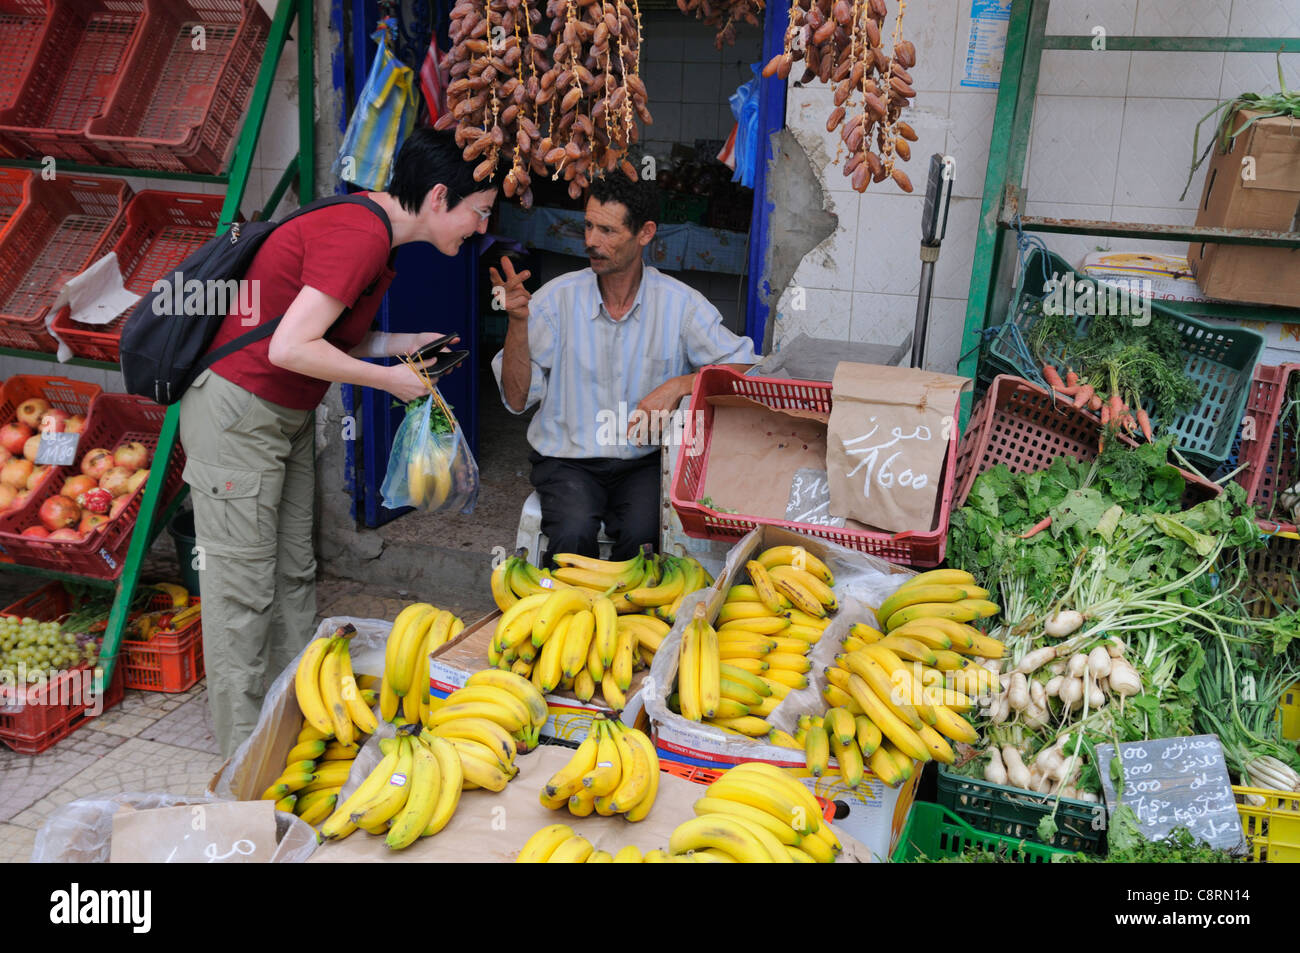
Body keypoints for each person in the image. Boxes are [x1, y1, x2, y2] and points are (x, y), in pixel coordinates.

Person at [179, 128, 496, 757]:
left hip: (284, 417)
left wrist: (398, 345)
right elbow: (288, 347)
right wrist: (390, 382)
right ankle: (246, 759)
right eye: (478, 213)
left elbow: (320, 335)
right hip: (239, 416)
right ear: (440, 197)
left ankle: (295, 719)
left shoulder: (378, 240)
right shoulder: (361, 235)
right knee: (241, 590)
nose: (478, 230)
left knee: (295, 573)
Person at [492, 174, 756, 567]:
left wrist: (680, 385)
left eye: (607, 230)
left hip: (642, 462)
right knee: (572, 534)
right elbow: (515, 399)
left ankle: (629, 623)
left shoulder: (679, 305)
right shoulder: (555, 301)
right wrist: (517, 322)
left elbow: (747, 366)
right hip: (567, 461)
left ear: (644, 233)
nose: (591, 241)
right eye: (588, 226)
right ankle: (570, 621)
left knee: (644, 539)